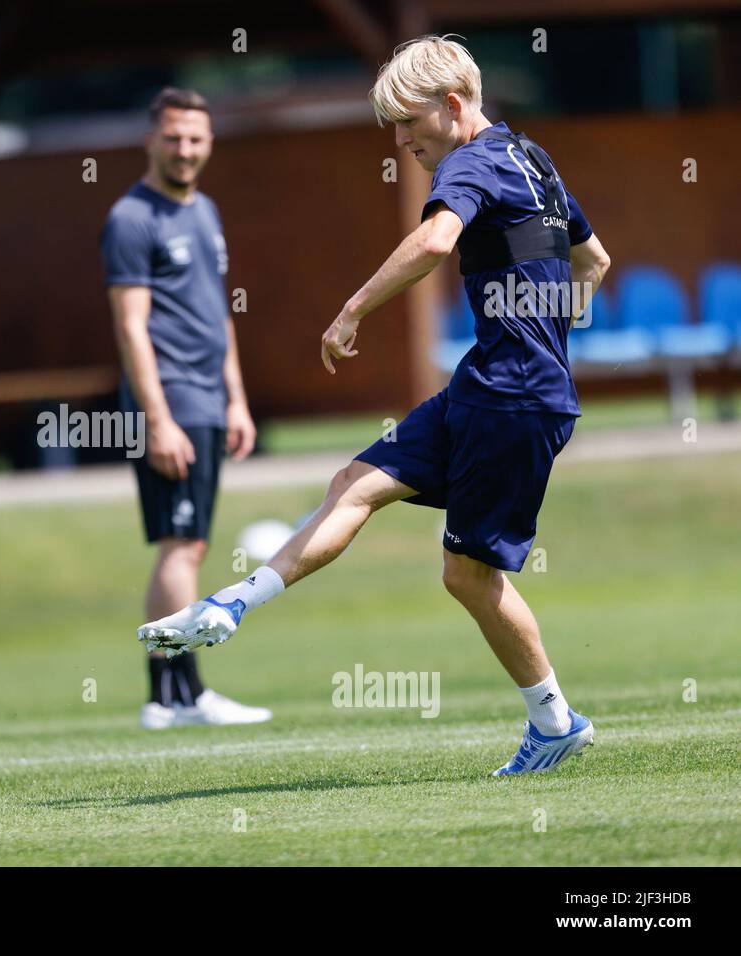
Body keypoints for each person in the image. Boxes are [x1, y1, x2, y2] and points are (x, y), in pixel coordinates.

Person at [138, 37, 613, 775]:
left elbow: (436, 238)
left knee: (469, 576)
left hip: (511, 397)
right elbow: (595, 261)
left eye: (407, 123)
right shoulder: (534, 160)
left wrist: (352, 310)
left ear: (453, 107)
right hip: (490, 386)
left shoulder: (472, 160)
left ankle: (554, 723)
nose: (400, 140)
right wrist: (549, 333)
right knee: (355, 484)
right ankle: (230, 605)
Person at [102, 87, 272, 729]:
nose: (185, 149)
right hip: (168, 401)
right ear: (151, 140)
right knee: (183, 544)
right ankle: (177, 695)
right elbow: (131, 327)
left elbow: (217, 315)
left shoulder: (204, 211)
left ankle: (171, 694)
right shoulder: (130, 219)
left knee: (187, 543)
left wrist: (237, 398)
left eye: (196, 138)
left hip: (205, 399)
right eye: (173, 137)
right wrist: (158, 417)